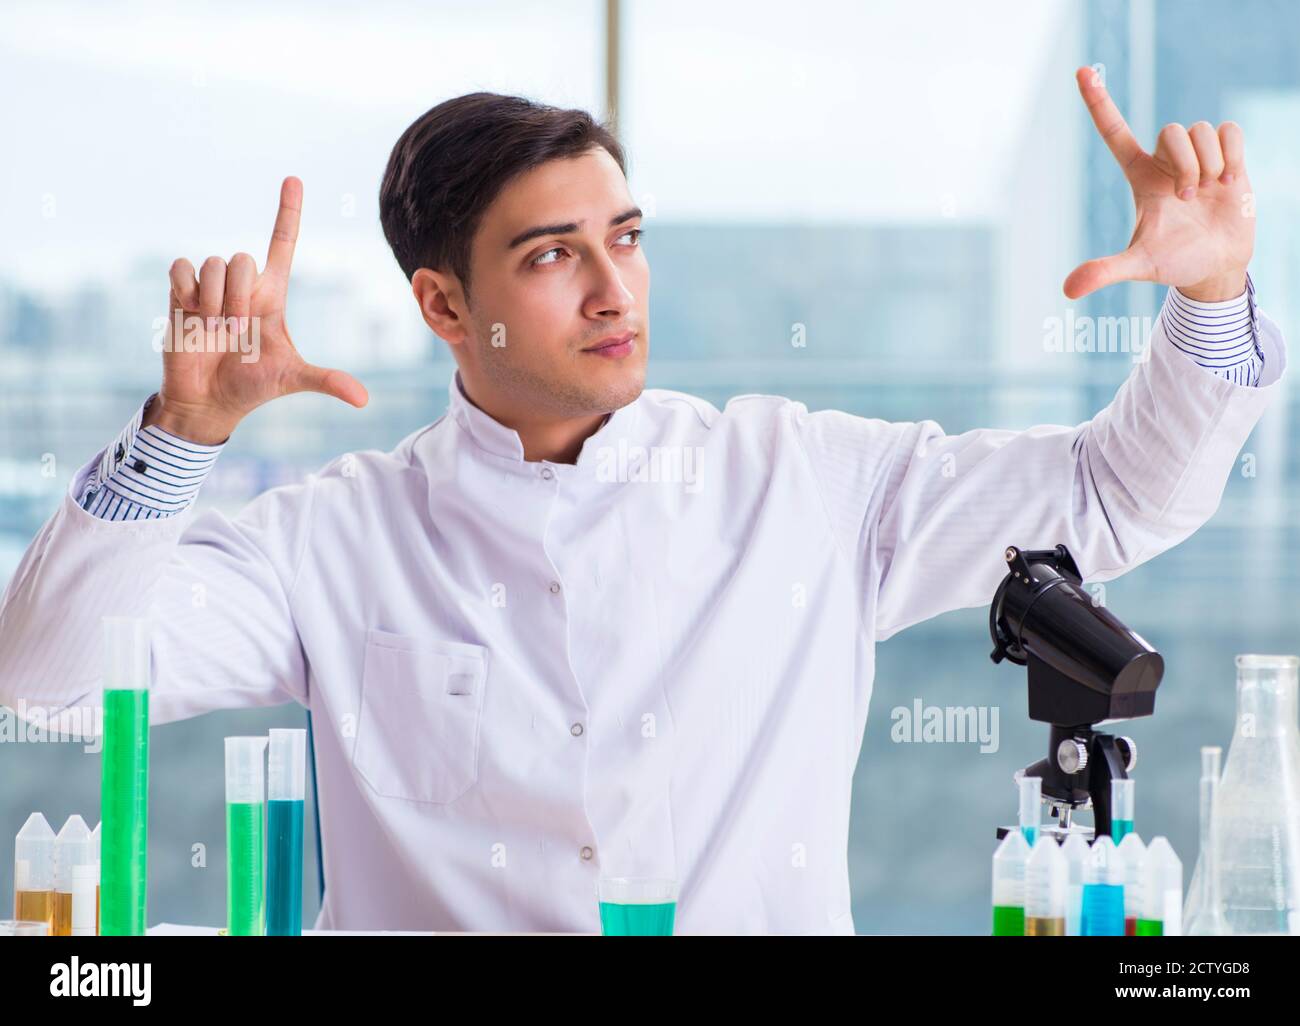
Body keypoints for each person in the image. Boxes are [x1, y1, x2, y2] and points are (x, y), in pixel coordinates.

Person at [0, 69, 1285, 933]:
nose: (614, 289)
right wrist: (182, 436)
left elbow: (1113, 498)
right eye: (554, 256)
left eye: (626, 235)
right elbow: (47, 683)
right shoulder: (331, 538)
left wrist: (1209, 295)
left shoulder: (806, 483)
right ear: (445, 306)